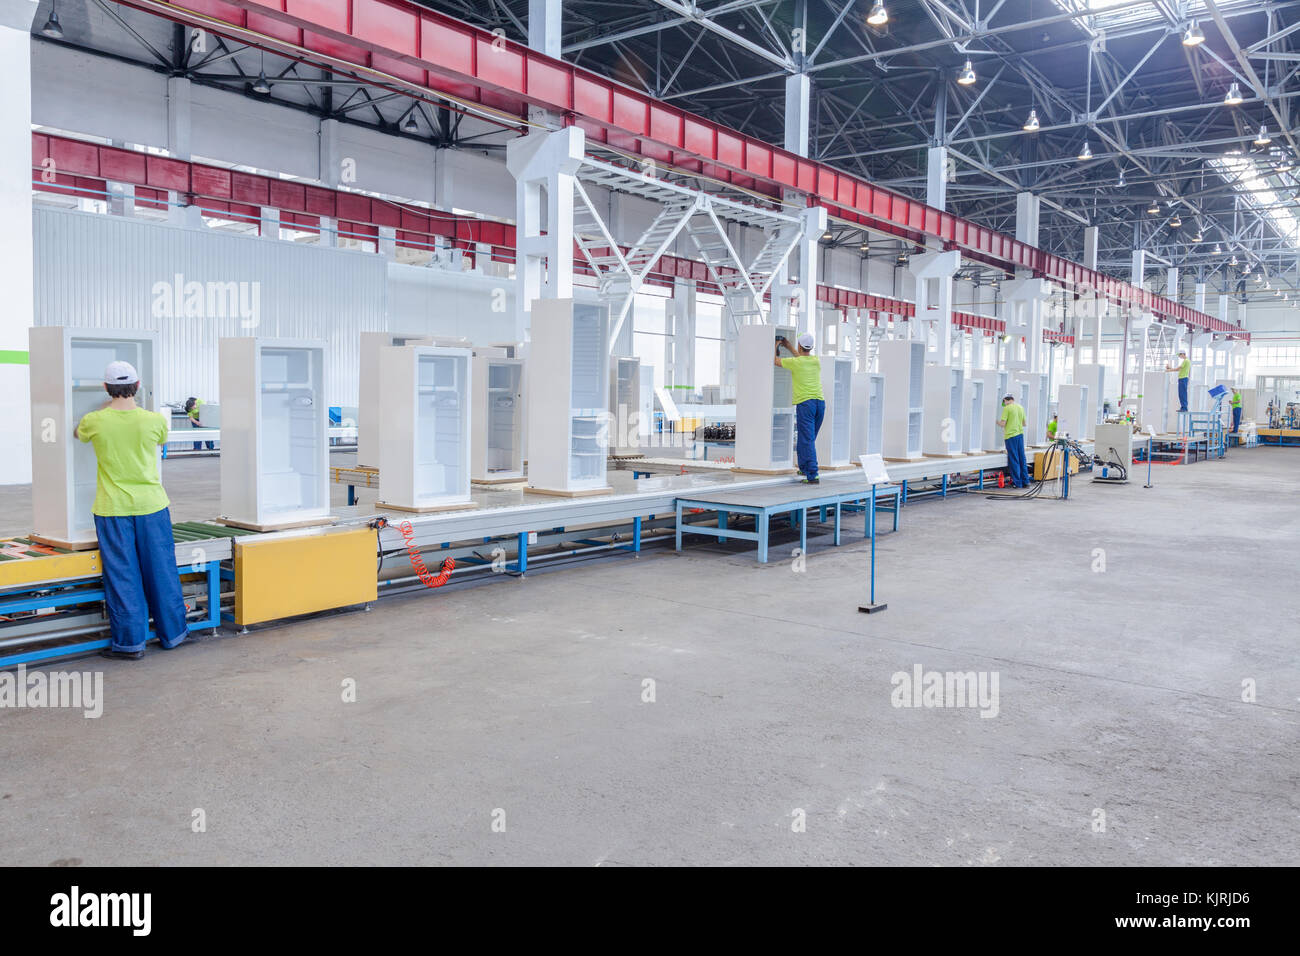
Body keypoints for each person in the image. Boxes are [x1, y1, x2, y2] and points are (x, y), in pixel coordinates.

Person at [75, 361, 189, 661]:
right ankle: (173, 635)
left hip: (113, 509)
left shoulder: (94, 420)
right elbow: (161, 440)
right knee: (162, 570)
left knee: (123, 575)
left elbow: (79, 434)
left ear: (105, 388)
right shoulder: (154, 421)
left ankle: (130, 644)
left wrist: (104, 408)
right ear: (138, 387)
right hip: (152, 506)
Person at [774, 332, 824, 484]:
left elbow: (774, 360)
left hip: (806, 404)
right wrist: (788, 345)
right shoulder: (815, 361)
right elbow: (801, 357)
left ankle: (813, 474)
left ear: (799, 346)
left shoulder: (796, 363)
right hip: (820, 404)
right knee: (807, 439)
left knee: (807, 439)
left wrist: (776, 344)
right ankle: (804, 467)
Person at [997, 393, 1030, 488]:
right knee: (1022, 458)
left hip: (1010, 436)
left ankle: (1017, 483)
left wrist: (996, 422)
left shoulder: (1007, 408)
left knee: (1014, 459)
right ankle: (1026, 481)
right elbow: (1024, 423)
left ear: (1005, 400)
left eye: (1004, 402)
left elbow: (1003, 424)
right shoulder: (1020, 407)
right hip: (1020, 435)